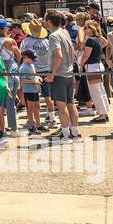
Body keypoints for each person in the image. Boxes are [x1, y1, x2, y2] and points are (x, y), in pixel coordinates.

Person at [43, 10, 79, 143]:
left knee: (62, 105)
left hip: (60, 74)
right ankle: (74, 134)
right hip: (69, 73)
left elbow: (59, 56)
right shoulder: (65, 32)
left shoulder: (54, 36)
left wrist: (52, 74)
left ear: (48, 21)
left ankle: (65, 135)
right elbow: (71, 54)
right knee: (71, 104)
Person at [78, 20, 110, 123]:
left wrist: (81, 64)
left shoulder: (90, 40)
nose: (85, 29)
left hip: (92, 67)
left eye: (87, 27)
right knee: (100, 91)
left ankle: (102, 114)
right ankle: (104, 113)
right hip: (97, 66)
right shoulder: (96, 38)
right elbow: (105, 42)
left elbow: (86, 55)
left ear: (92, 28)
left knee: (96, 92)